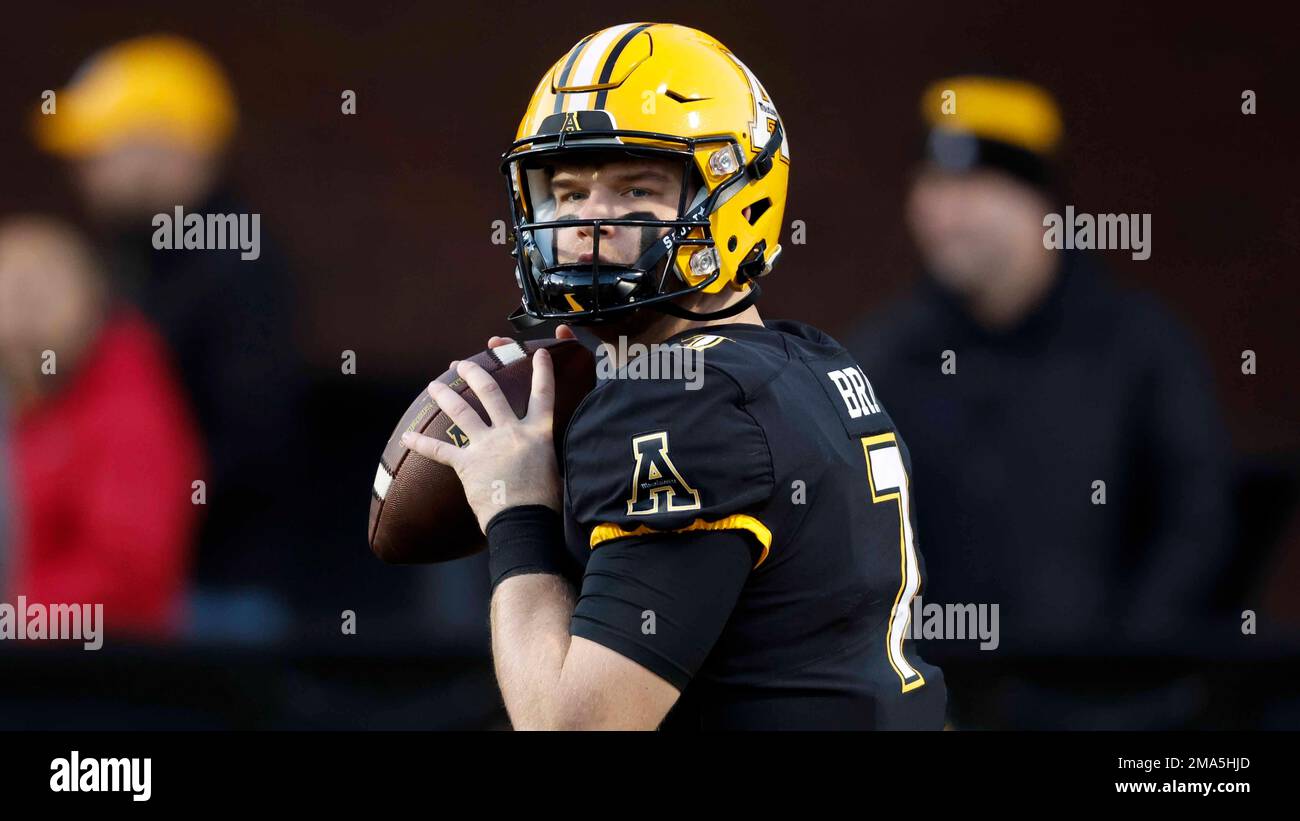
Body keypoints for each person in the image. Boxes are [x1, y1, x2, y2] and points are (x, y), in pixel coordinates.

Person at [401, 23, 946, 730]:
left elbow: (575, 724)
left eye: (635, 187)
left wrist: (517, 513)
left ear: (738, 199)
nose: (589, 220)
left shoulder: (680, 402)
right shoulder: (815, 360)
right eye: (566, 191)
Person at [844, 77, 1231, 728]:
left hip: (1117, 712)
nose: (945, 214)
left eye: (971, 188)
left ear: (1036, 201)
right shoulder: (886, 359)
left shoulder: (1137, 348)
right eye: (931, 186)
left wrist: (1125, 670)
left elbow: (1198, 518)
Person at [32, 35, 304, 638]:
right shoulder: (147, 256)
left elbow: (249, 435)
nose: (85, 170)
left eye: (101, 150)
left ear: (171, 148)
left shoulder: (236, 261)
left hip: (216, 597)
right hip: (157, 592)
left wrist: (139, 515)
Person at [0, 216, 202, 637]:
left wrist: (16, 616)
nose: (25, 310)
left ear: (92, 299)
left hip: (99, 676)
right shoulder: (18, 397)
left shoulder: (128, 396)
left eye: (44, 289)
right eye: (12, 288)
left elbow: (128, 578)